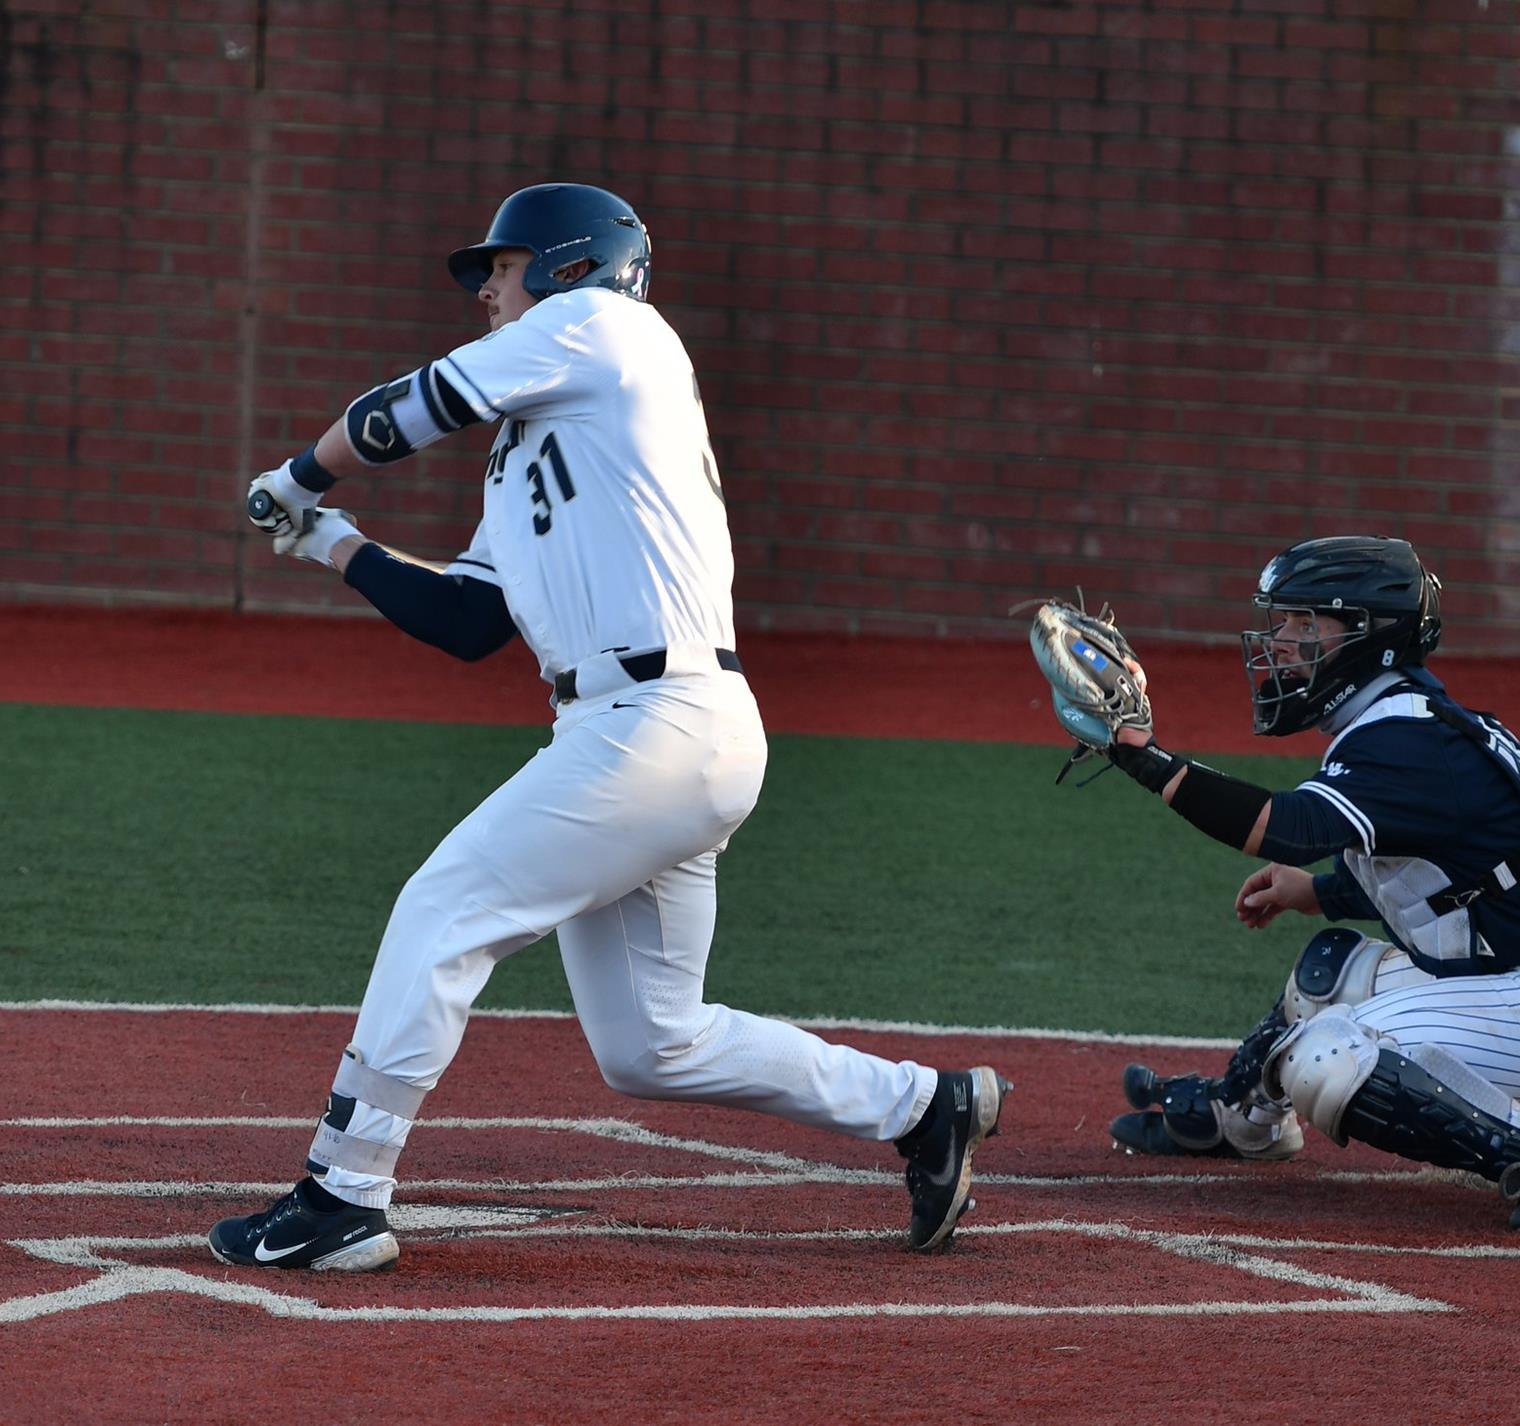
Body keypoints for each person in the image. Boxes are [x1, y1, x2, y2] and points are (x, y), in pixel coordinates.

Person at [210, 182, 1009, 1271]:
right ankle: (923, 1107)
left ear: (568, 264)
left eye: (500, 265)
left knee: (443, 907)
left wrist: (301, 472)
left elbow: (403, 413)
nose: (486, 288)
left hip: (655, 721)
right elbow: (466, 619)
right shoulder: (542, 430)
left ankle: (342, 1191)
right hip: (654, 729)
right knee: (651, 1042)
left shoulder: (600, 325)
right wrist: (328, 539)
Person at [1099, 536, 1520, 1227]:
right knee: (1326, 972)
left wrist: (1150, 763)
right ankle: (1242, 1122)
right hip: (1501, 974)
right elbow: (1447, 879)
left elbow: (1281, 825)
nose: (1283, 640)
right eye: (1284, 620)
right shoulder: (1407, 722)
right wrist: (1317, 892)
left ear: (1367, 634)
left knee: (1327, 1056)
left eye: (1304, 622)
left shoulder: (1406, 742)